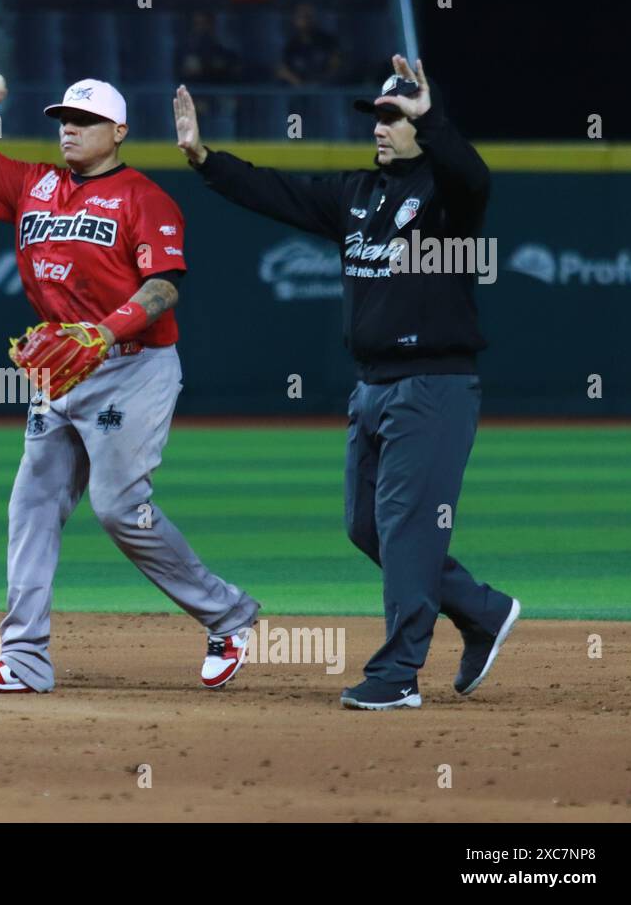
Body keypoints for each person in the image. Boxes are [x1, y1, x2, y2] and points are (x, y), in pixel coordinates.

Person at [173, 56, 521, 711]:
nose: (381, 128)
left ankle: (397, 675)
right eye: (378, 117)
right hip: (372, 388)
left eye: (394, 116)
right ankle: (480, 610)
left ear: (423, 120)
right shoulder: (357, 196)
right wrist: (203, 158)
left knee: (407, 528)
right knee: (368, 528)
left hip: (433, 385)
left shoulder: (449, 198)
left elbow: (474, 177)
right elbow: (273, 190)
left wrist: (434, 119)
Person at [0, 70, 261, 694]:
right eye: (63, 121)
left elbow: (164, 286)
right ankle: (24, 658)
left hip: (133, 366)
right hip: (61, 369)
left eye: (83, 122)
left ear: (118, 132)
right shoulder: (32, 183)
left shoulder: (144, 198)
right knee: (31, 506)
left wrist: (104, 333)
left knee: (119, 508)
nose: (70, 131)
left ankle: (228, 616)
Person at [276, 3, 341, 86]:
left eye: (309, 16)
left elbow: (336, 66)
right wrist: (300, 84)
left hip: (324, 89)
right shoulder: (290, 45)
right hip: (298, 90)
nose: (307, 20)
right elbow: (282, 70)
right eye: (302, 16)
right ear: (294, 19)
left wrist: (321, 83)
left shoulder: (328, 41)